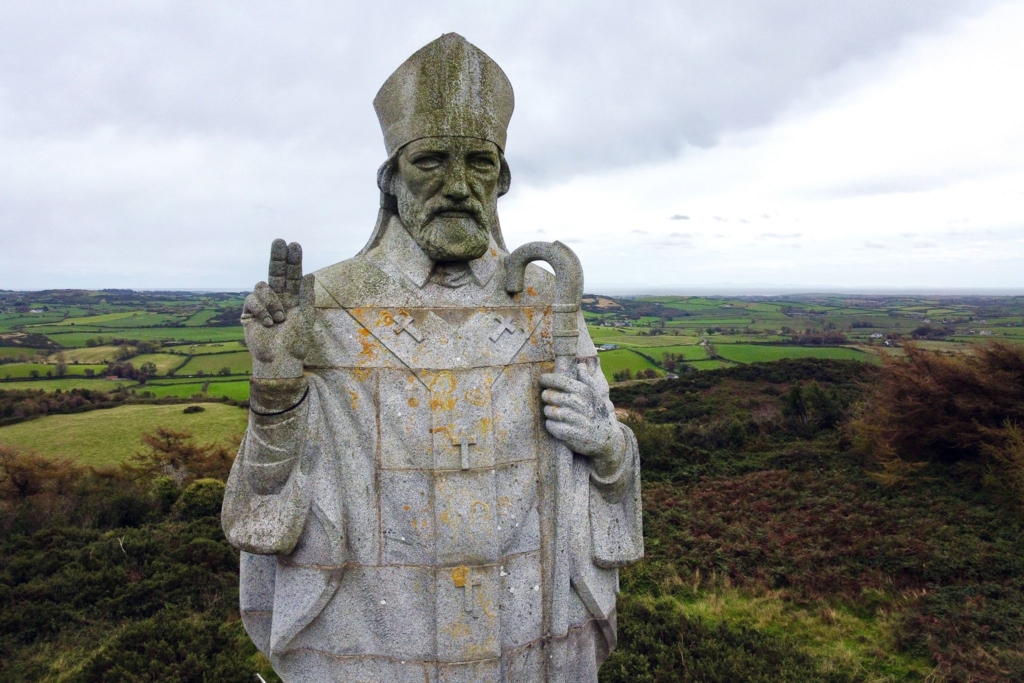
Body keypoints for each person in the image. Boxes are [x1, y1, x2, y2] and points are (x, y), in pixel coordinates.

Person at [222, 33, 642, 682]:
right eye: (429, 162)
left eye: (478, 162)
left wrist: (608, 450)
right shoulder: (325, 306)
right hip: (373, 648)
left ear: (501, 179)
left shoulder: (545, 302)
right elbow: (269, 511)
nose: (455, 185)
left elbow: (607, 451)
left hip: (527, 642)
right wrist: (276, 394)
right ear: (391, 180)